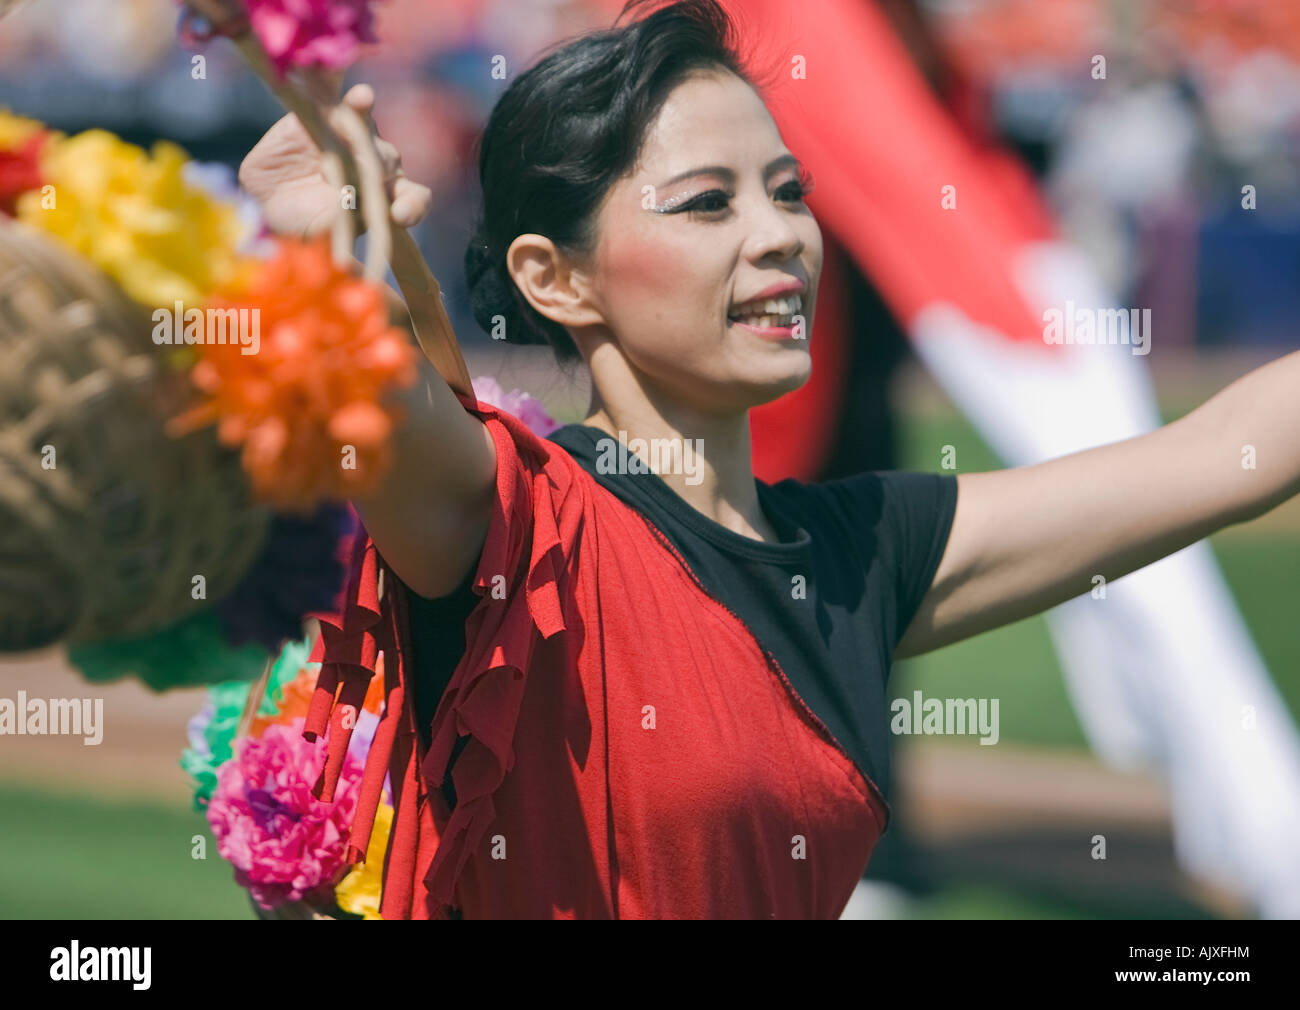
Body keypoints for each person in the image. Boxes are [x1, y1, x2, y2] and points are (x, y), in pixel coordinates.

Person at [238, 0, 1300, 919]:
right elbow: (372, 388)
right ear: (555, 280)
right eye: (710, 202)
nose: (780, 234)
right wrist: (321, 237)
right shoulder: (511, 519)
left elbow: (1225, 453)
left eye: (788, 192)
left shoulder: (860, 552)